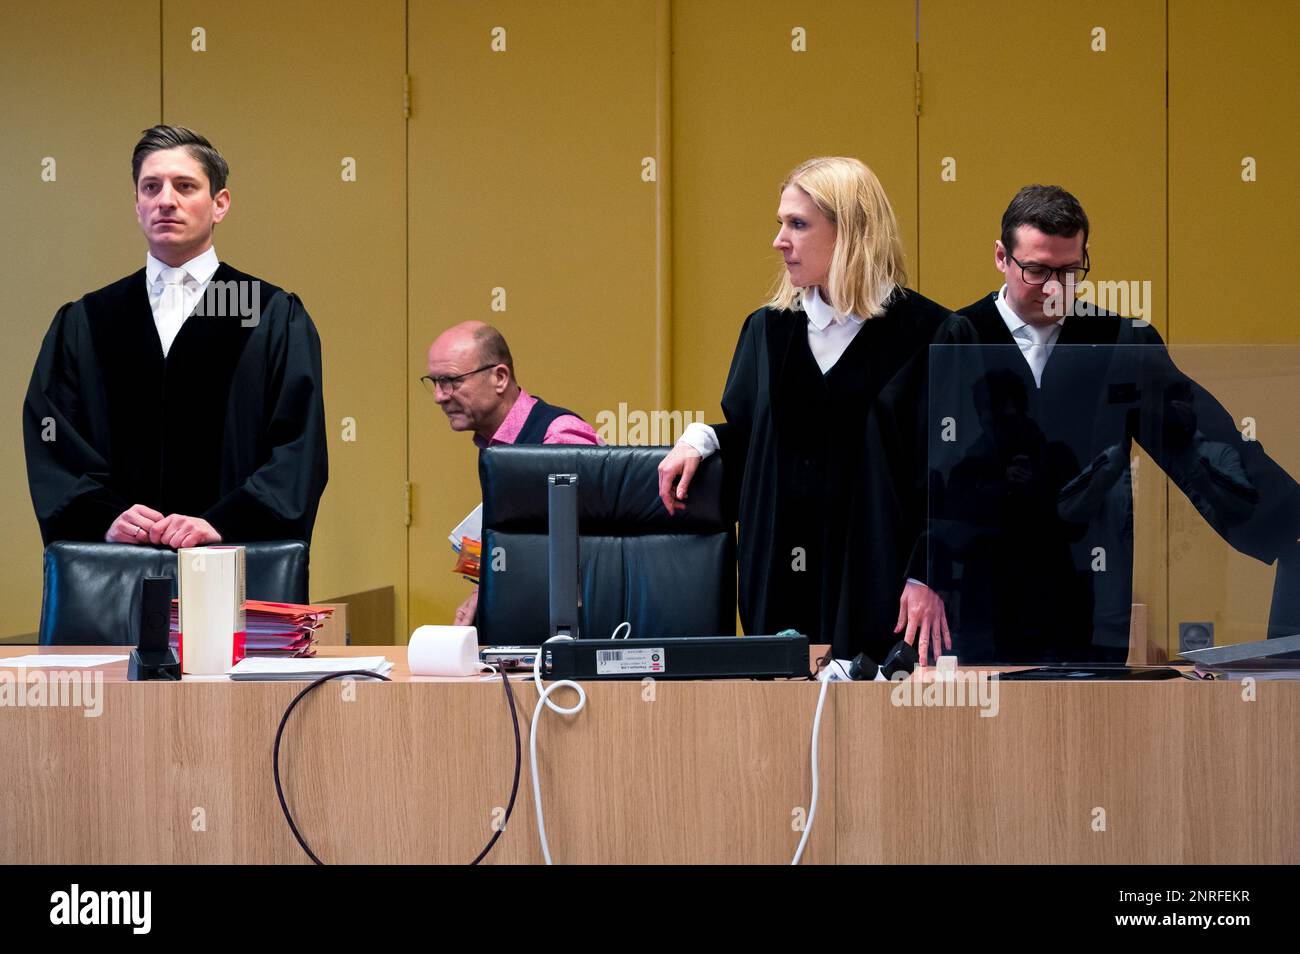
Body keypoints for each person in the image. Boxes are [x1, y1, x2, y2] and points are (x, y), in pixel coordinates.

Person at [937, 184, 1300, 661]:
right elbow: (923, 470)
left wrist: (1287, 518)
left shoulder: (1118, 342)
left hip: (1086, 591)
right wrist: (924, 574)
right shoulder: (956, 338)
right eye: (1037, 270)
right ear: (1001, 257)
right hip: (977, 594)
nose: (1053, 287)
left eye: (1070, 271)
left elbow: (1200, 440)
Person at [657, 156, 965, 664]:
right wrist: (702, 437)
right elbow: (762, 442)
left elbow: (949, 471)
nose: (780, 240)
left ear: (853, 233)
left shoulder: (931, 333)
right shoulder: (768, 331)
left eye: (798, 225)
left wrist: (927, 570)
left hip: (882, 594)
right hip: (780, 596)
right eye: (781, 223)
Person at [23, 125, 328, 551]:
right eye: (151, 187)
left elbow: (300, 445)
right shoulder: (89, 319)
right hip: (116, 566)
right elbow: (51, 432)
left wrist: (222, 520)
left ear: (219, 204)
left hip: (232, 560)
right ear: (136, 204)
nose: (166, 200)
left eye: (185, 186)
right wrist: (105, 514)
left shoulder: (266, 312)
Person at [424, 320, 601, 623]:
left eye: (451, 381)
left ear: (500, 378)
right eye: (435, 382)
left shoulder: (559, 438)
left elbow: (580, 558)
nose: (439, 396)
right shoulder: (494, 447)